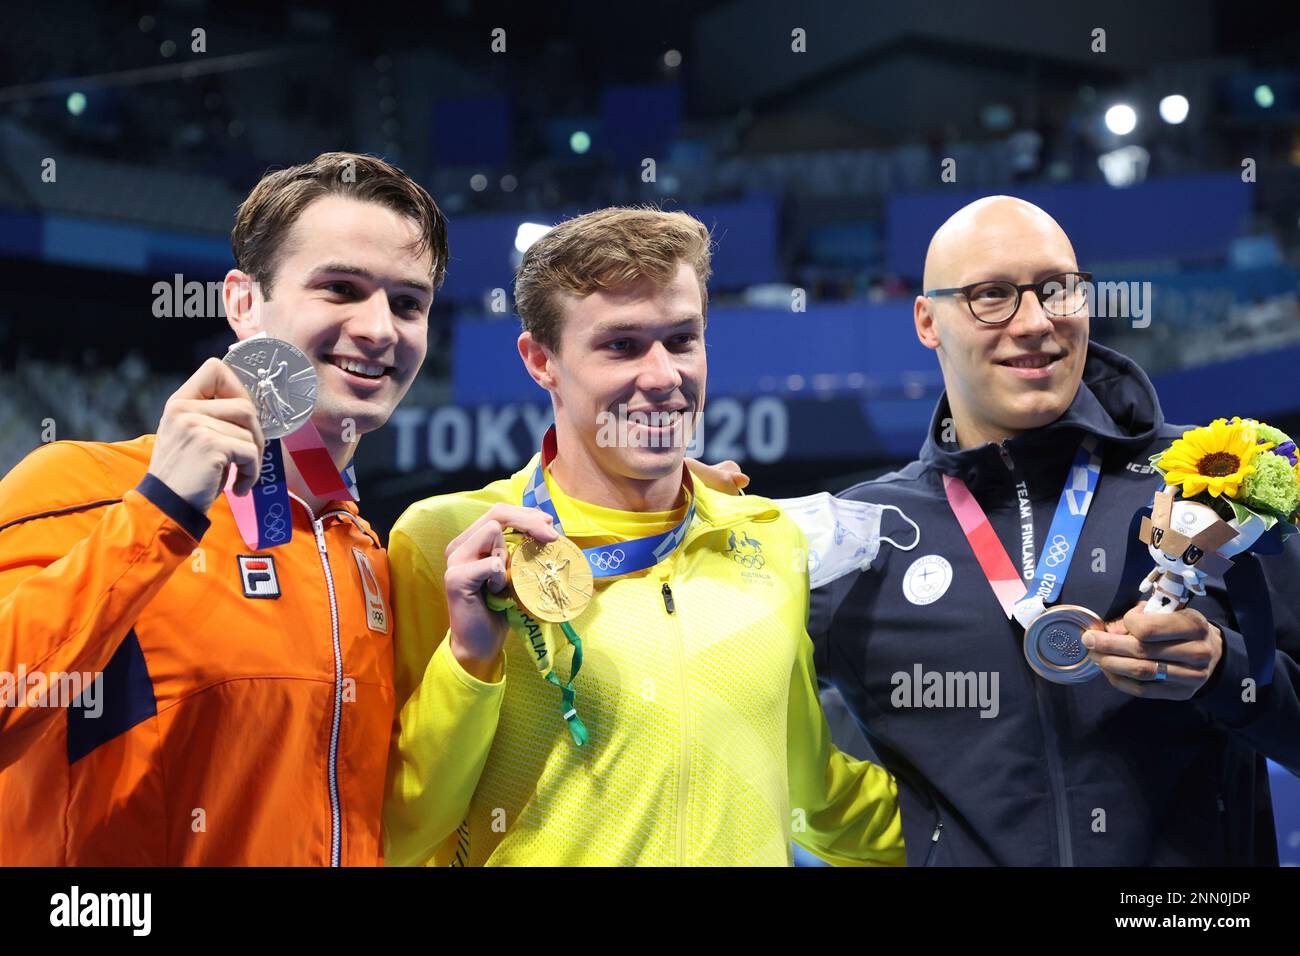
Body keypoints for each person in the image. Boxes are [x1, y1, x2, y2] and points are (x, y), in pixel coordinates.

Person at [383, 207, 904, 866]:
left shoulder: (768, 540)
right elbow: (400, 833)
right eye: (621, 345)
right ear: (540, 360)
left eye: (682, 339)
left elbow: (813, 795)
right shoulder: (448, 543)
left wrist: (995, 833)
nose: (662, 377)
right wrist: (467, 661)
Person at [806, 196, 1300, 865]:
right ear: (928, 321)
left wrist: (1226, 672)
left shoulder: (1218, 489)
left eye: (1057, 289)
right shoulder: (863, 540)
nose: (1035, 322)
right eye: (992, 296)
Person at [0, 152, 447, 865]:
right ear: (242, 303)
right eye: (340, 288)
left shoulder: (365, 556)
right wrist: (160, 510)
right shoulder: (77, 487)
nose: (380, 329)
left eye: (408, 303)